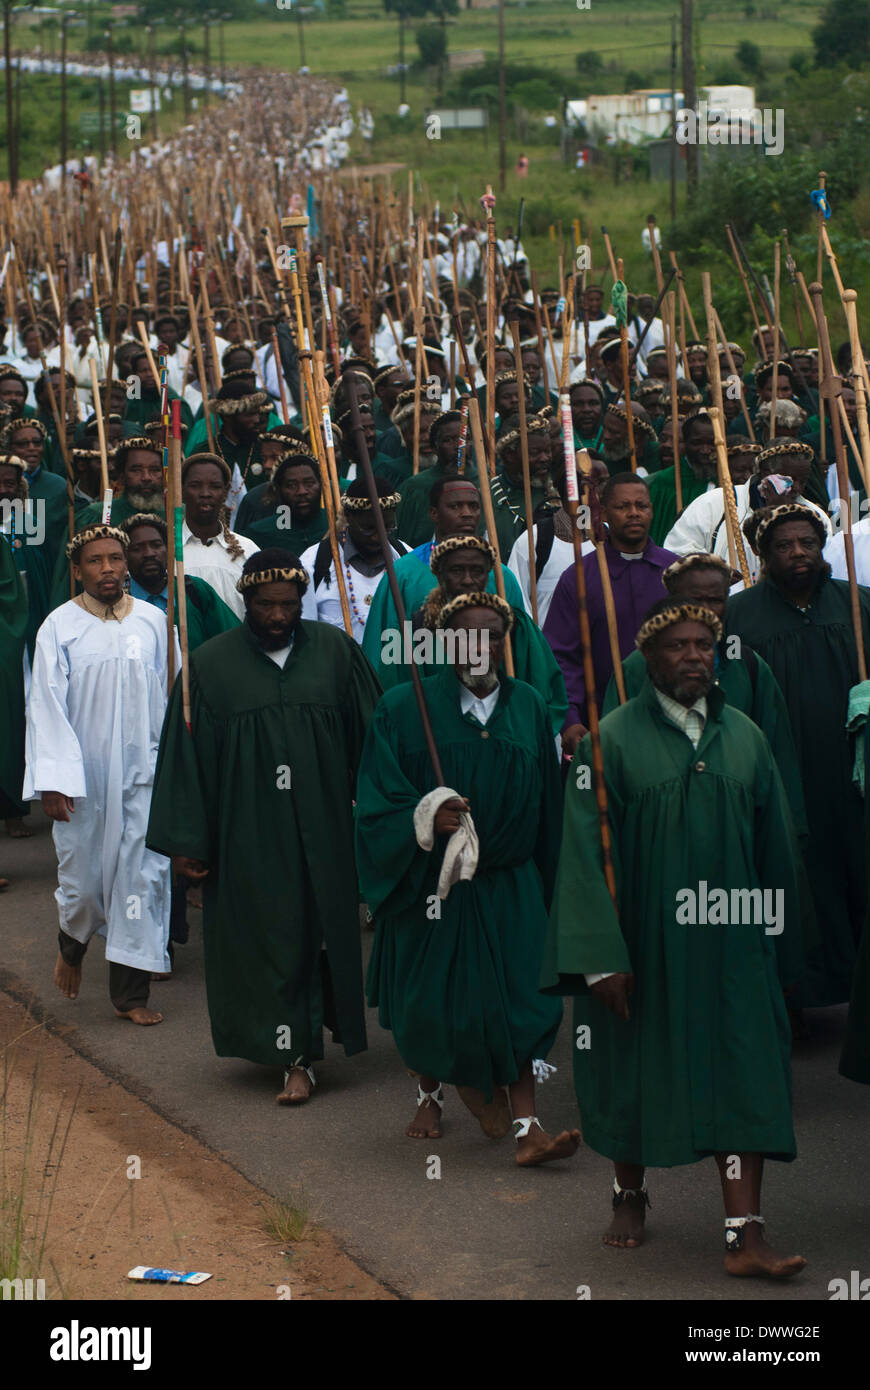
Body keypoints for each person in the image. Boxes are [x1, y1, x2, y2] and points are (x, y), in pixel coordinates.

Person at [543, 600, 806, 1278]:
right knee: (635, 1067)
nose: (693, 656)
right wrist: (599, 957)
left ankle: (744, 1236)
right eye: (678, 646)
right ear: (648, 659)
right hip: (643, 943)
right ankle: (628, 1193)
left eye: (703, 645)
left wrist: (779, 939)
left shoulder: (743, 736)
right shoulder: (611, 742)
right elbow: (581, 855)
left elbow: (774, 843)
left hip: (733, 943)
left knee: (745, 1072)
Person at [146, 548, 382, 1104]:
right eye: (265, 605)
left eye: (289, 604)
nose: (278, 616)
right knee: (269, 936)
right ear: (245, 601)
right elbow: (187, 759)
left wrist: (378, 816)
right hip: (247, 829)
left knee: (321, 932)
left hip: (324, 825)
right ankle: (292, 1055)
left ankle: (315, 1040)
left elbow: (373, 741)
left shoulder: (335, 652)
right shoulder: (209, 665)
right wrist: (188, 842)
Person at [356, 591, 580, 1163]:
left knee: (526, 1002)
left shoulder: (529, 705)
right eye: (466, 634)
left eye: (493, 635)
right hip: (435, 886)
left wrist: (559, 885)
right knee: (434, 1002)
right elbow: (376, 798)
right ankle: (431, 1093)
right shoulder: (405, 709)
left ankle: (529, 1125)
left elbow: (550, 804)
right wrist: (428, 812)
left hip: (511, 880)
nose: (481, 645)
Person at [23, 525, 175, 1024]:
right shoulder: (59, 627)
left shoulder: (155, 623)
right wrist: (54, 779)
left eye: (115, 558)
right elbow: (45, 706)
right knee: (84, 883)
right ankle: (73, 941)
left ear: (127, 563)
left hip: (143, 775)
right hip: (83, 780)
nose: (107, 568)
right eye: (95, 561)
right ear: (77, 570)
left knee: (140, 878)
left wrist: (177, 767)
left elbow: (174, 698)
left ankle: (130, 996)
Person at [726, 503, 870, 1011]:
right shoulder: (739, 616)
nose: (798, 554)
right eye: (784, 546)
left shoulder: (857, 602)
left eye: (807, 543)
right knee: (801, 875)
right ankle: (800, 996)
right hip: (786, 771)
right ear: (765, 555)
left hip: (853, 769)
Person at [379, 533, 567, 733]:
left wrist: (524, 731)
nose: (468, 580)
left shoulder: (513, 624)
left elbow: (547, 691)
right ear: (440, 575)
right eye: (457, 570)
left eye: (477, 571)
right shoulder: (417, 629)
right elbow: (395, 700)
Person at [544, 473, 676, 754]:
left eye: (642, 506)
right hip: (602, 721)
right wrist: (570, 720)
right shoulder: (579, 576)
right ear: (604, 512)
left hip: (669, 719)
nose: (633, 514)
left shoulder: (675, 572)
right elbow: (561, 656)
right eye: (623, 506)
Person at [300, 475, 407, 644]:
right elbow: (304, 634)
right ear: (349, 517)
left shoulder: (405, 557)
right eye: (368, 528)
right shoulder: (313, 563)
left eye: (387, 527)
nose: (377, 537)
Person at [121, 512, 240, 650]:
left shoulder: (193, 591)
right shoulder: (118, 601)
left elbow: (234, 642)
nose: (149, 553)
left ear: (169, 549)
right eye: (137, 548)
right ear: (124, 556)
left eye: (156, 545)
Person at [180, 453, 260, 619]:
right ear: (181, 491)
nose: (205, 493)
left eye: (215, 486)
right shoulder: (167, 549)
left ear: (225, 492)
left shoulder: (248, 550)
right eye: (195, 486)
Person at [394, 410, 478, 549]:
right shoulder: (414, 487)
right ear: (434, 447)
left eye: (465, 439)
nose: (459, 446)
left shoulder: (487, 483)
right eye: (448, 440)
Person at [242, 453, 329, 556]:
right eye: (291, 485)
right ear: (278, 489)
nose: (301, 491)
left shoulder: (336, 526)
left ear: (321, 485)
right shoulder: (259, 533)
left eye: (309, 483)